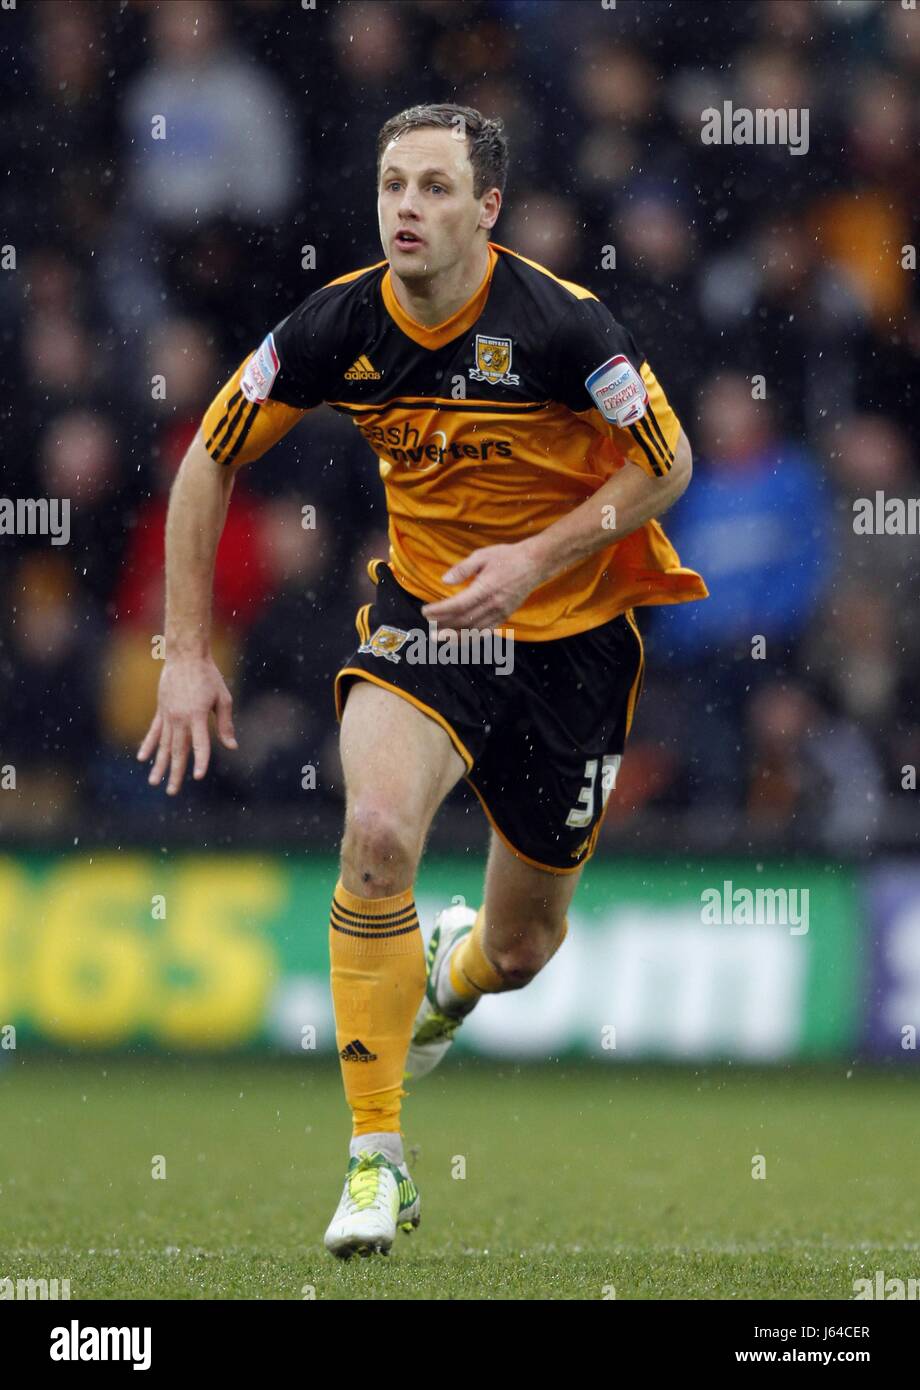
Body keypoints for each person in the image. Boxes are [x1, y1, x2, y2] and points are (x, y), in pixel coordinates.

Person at [136, 103, 707, 1259]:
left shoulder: (562, 325)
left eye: (437, 188)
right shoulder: (336, 323)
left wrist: (537, 556)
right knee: (379, 835)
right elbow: (207, 459)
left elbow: (667, 462)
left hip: (574, 642)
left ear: (486, 209)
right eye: (394, 184)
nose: (408, 206)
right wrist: (186, 654)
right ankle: (375, 1161)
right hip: (427, 628)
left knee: (521, 948)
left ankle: (446, 978)